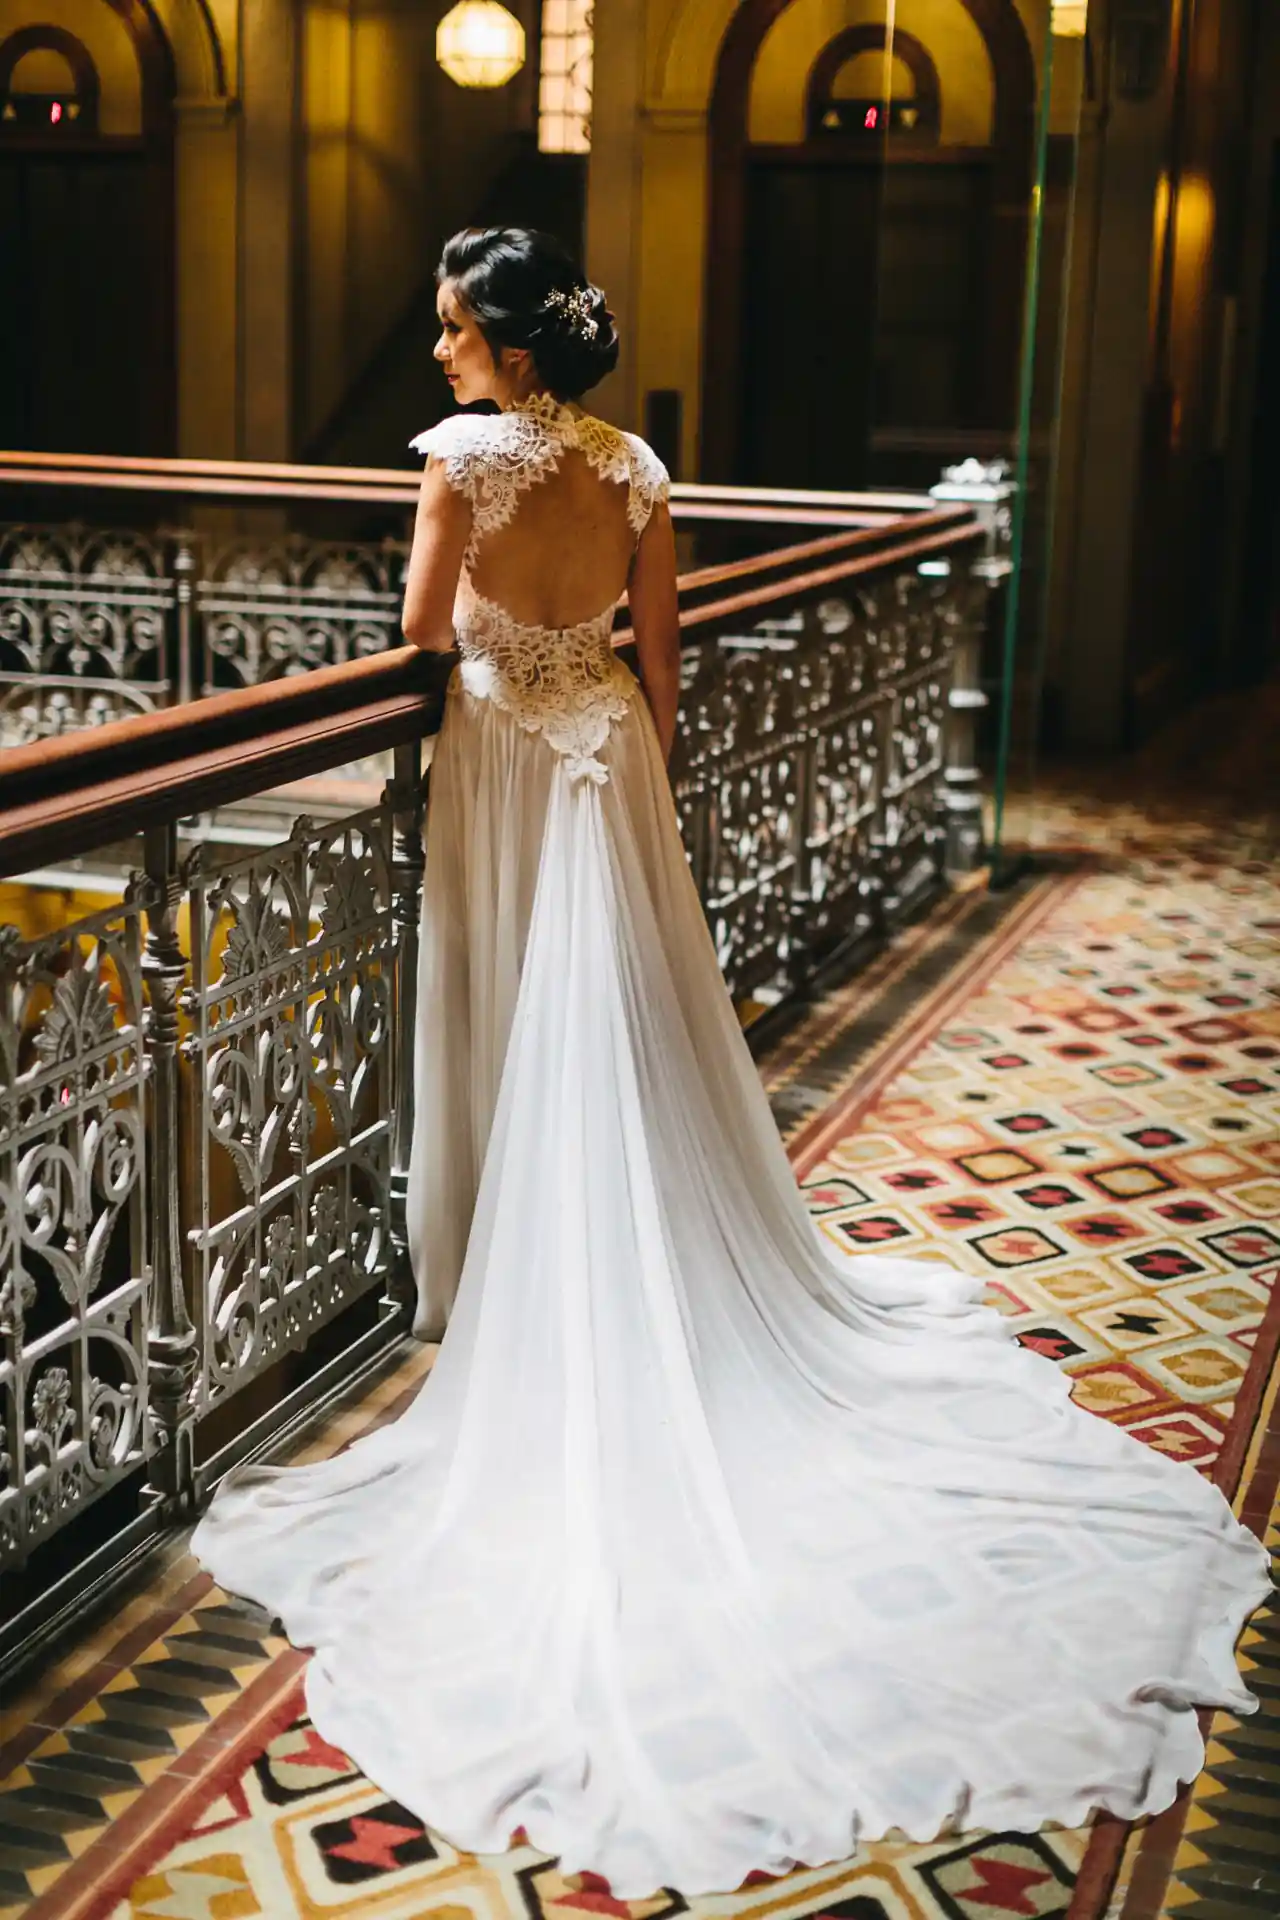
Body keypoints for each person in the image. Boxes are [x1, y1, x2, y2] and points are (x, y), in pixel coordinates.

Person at [192, 227, 1271, 1899]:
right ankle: (598, 1236)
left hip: (491, 750)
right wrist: (619, 751)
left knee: (493, 997)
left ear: (513, 350)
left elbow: (421, 629)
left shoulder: (458, 465)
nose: (440, 357)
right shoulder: (631, 464)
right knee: (618, 1016)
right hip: (605, 756)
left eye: (456, 332)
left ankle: (481, 1260)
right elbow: (661, 652)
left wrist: (496, 649)